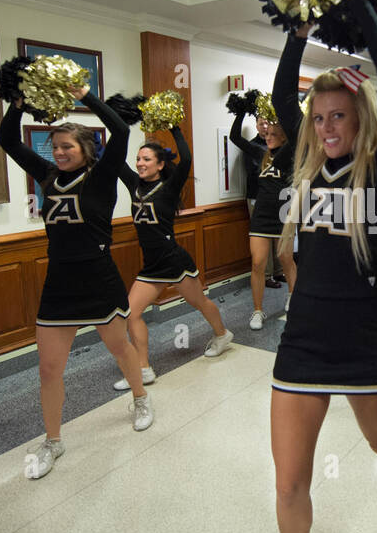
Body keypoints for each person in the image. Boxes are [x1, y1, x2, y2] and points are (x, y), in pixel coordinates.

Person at [267, 0, 377, 533]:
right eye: (318, 117)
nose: (325, 127)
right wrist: (299, 27)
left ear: (360, 122)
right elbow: (278, 96)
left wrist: (356, 5)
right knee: (290, 478)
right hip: (301, 340)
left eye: (338, 117)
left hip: (362, 336)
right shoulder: (303, 168)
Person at [0, 82, 152, 479]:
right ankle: (53, 440)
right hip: (60, 283)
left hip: (99, 278)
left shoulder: (100, 178)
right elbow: (7, 140)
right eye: (56, 146)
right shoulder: (47, 175)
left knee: (120, 348)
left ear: (84, 149)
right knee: (49, 369)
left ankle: (140, 398)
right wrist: (18, 102)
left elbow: (119, 131)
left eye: (68, 146)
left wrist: (84, 95)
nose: (61, 152)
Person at [113, 128, 234, 390]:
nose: (140, 163)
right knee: (130, 314)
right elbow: (115, 159)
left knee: (199, 302)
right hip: (152, 265)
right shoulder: (134, 184)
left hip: (174, 262)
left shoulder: (168, 187)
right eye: (138, 159)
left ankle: (223, 335)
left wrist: (175, 128)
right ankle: (143, 369)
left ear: (160, 164)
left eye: (147, 159)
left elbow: (187, 160)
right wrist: (110, 132)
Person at [230, 110, 298, 329]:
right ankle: (258, 311)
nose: (267, 137)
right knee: (258, 263)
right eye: (266, 134)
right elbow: (235, 138)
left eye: (272, 134)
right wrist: (241, 109)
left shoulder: (289, 155)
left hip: (283, 215)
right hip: (261, 215)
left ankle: (293, 297)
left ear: (283, 136)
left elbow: (297, 133)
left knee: (286, 260)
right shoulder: (260, 154)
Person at [241, 115, 283, 289]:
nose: (265, 126)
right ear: (257, 126)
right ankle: (266, 275)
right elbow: (253, 172)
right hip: (257, 196)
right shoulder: (253, 147)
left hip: (277, 199)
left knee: (278, 238)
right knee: (263, 239)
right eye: (261, 123)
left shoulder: (281, 148)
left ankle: (279, 271)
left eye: (267, 123)